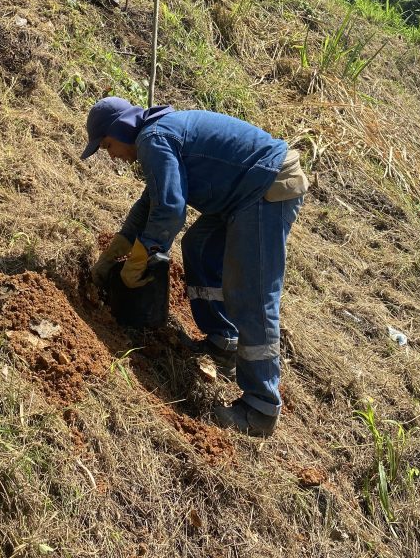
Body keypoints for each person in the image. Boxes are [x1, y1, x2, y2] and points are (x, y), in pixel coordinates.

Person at [82, 96, 307, 438]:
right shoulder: (157, 135)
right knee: (198, 247)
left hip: (265, 186)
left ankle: (260, 406)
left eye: (108, 145)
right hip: (241, 192)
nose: (111, 155)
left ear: (120, 130)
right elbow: (153, 199)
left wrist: (144, 254)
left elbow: (171, 210)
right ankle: (222, 342)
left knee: (252, 295)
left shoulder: (152, 139)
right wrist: (121, 245)